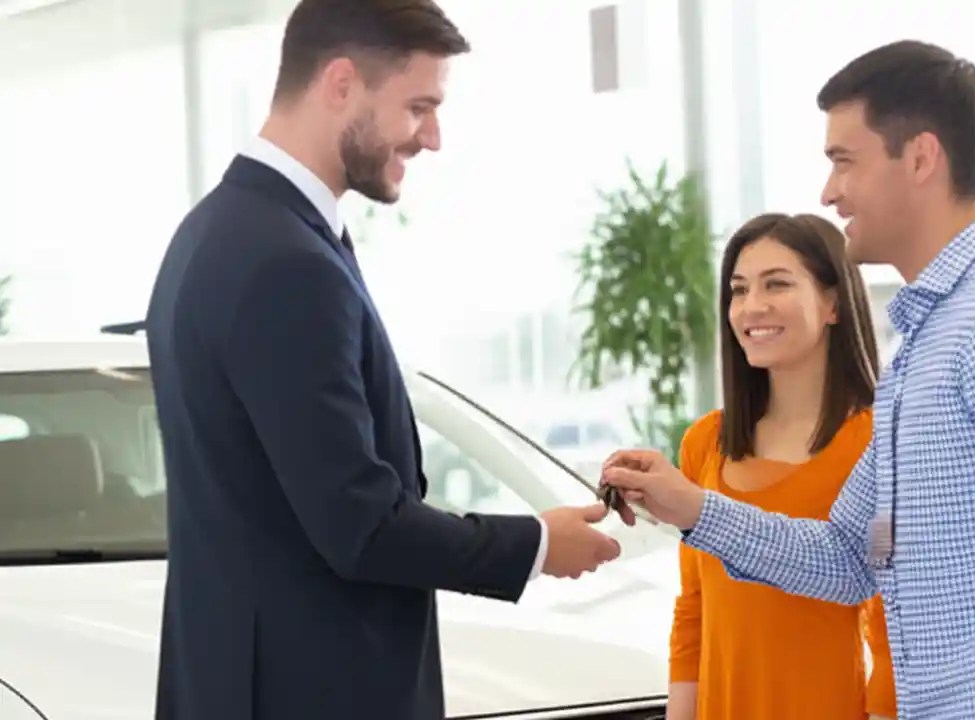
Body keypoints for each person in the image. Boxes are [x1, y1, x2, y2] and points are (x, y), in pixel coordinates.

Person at [603, 40, 975, 719]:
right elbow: (843, 557)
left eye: (843, 162)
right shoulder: (926, 348)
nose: (829, 192)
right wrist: (690, 506)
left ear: (920, 158)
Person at [145, 2, 620, 719]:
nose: (431, 137)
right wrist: (535, 545)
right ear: (341, 83)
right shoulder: (283, 261)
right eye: (418, 106)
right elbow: (357, 523)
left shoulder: (222, 232)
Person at [667, 212, 897, 720]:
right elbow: (693, 614)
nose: (753, 306)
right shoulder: (705, 443)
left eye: (777, 284)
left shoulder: (879, 445)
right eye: (740, 289)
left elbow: (891, 640)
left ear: (833, 302)